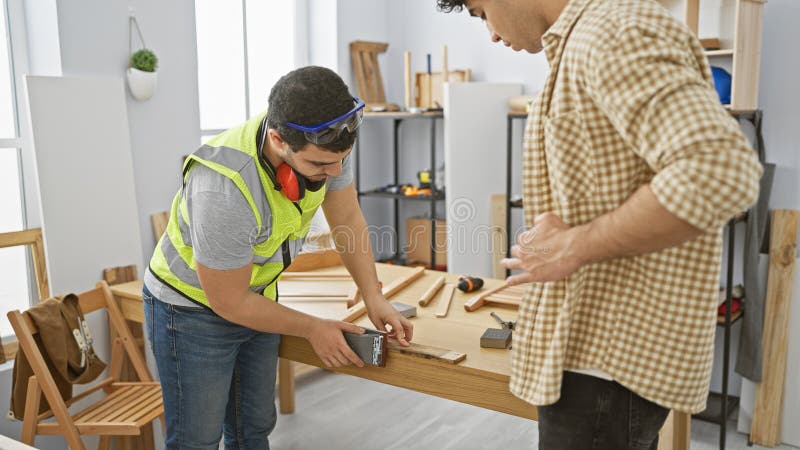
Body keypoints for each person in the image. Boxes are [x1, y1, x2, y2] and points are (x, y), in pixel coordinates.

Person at [436, 0, 762, 448]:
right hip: (593, 357)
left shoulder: (613, 32)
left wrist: (575, 245)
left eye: (479, 12)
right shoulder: (581, 42)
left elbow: (718, 169)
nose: (490, 33)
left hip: (608, 367)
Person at [143, 66, 413, 449]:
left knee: (253, 428)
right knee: (197, 441)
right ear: (278, 139)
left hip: (256, 296)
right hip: (190, 311)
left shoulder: (330, 143)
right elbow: (228, 300)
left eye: (341, 160)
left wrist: (373, 295)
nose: (335, 172)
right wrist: (312, 327)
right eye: (321, 166)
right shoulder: (224, 186)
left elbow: (348, 218)